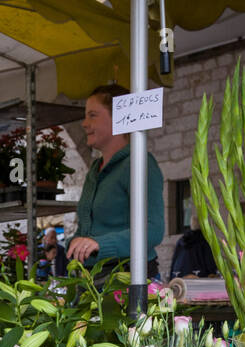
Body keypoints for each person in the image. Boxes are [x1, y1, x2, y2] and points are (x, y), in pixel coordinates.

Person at [67, 83, 165, 278]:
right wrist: (74, 243)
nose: (84, 123)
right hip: (92, 278)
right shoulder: (95, 171)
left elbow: (153, 230)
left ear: (118, 118)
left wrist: (100, 244)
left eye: (92, 115)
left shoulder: (139, 164)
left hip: (128, 277)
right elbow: (87, 228)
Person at [169, 214, 219, 279]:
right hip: (199, 278)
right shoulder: (204, 240)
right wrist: (214, 272)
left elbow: (174, 260)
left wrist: (171, 277)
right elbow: (210, 262)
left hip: (179, 276)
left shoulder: (182, 239)